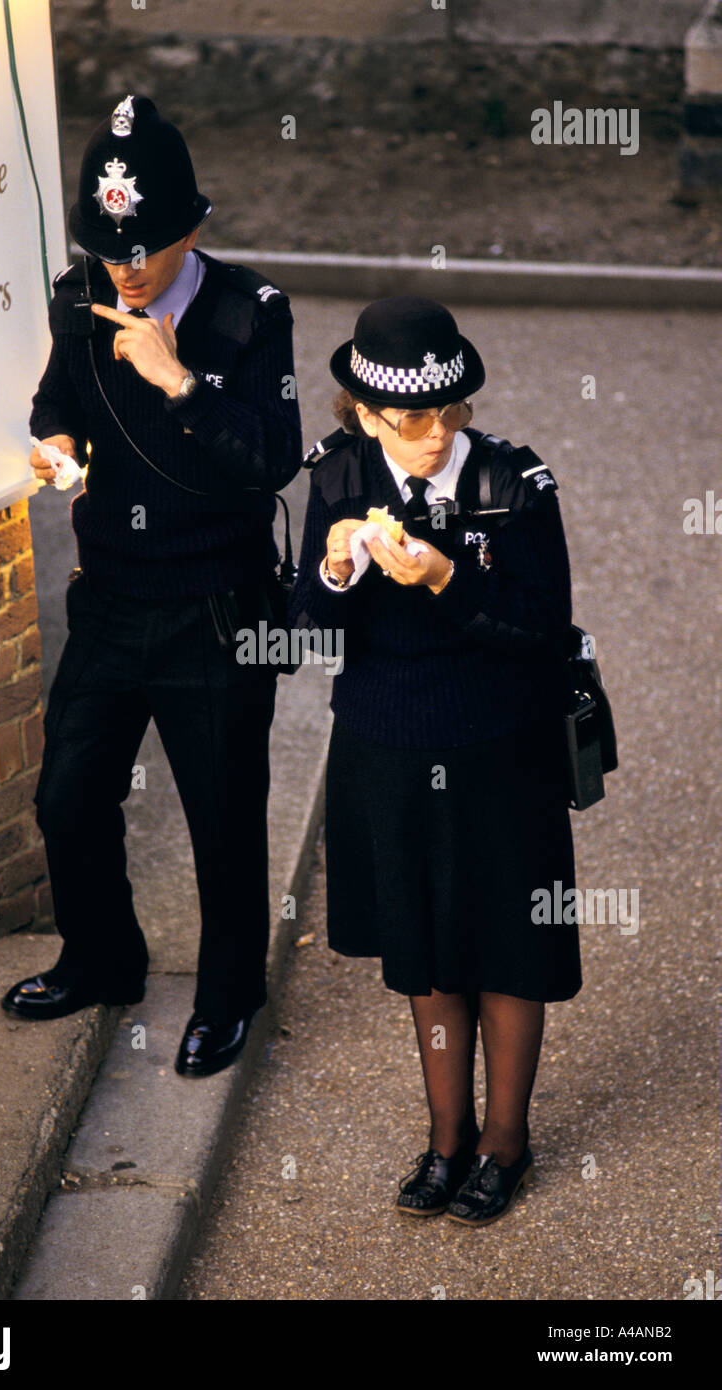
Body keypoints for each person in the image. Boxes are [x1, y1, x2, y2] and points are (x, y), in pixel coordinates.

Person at [1, 95, 302, 1079]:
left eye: (143, 251)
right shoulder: (78, 298)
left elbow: (272, 459)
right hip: (109, 598)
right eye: (108, 251)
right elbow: (56, 400)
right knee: (67, 797)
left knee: (223, 816)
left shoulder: (249, 314)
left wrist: (179, 382)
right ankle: (101, 959)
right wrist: (54, 443)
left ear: (191, 230)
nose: (125, 270)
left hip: (215, 607)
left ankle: (228, 996)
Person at [288, 297, 581, 1224]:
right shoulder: (337, 477)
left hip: (501, 746)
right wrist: (336, 572)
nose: (434, 434)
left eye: (448, 411)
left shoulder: (514, 482)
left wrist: (448, 578)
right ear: (363, 412)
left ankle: (505, 1143)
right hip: (387, 744)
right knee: (427, 952)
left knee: (508, 949)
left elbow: (540, 630)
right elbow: (304, 628)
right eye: (410, 418)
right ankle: (446, 1138)